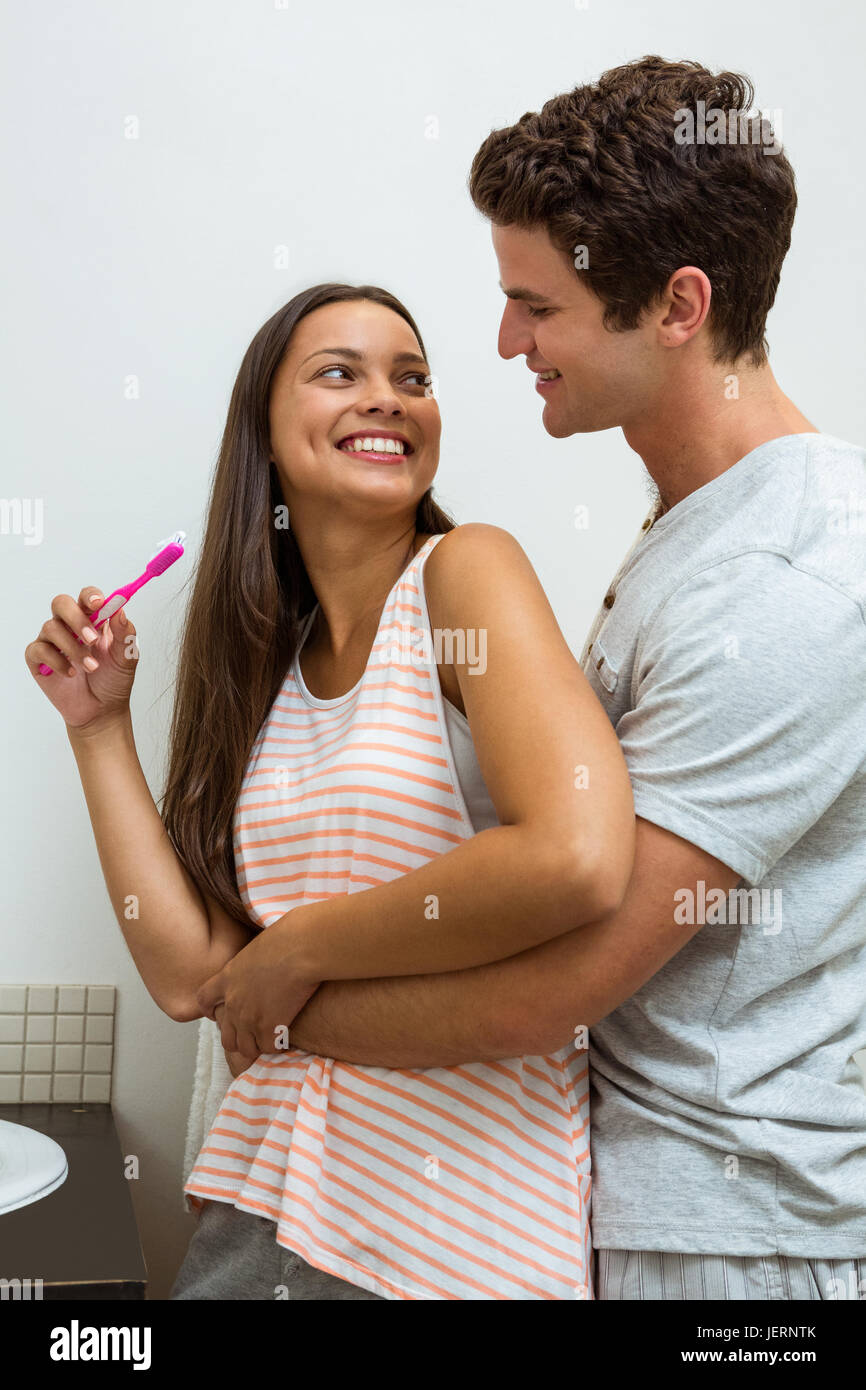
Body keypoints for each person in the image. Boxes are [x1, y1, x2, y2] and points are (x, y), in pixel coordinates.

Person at [260, 56, 866, 1302]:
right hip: (648, 1198)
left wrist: (274, 1004)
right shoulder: (698, 526)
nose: (502, 343)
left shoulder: (792, 575)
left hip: (738, 1240)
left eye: (535, 307)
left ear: (677, 305)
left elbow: (559, 984)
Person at [25, 282, 635, 1299]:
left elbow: (572, 854)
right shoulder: (271, 669)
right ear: (263, 431)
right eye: (339, 373)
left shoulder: (464, 573)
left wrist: (302, 946)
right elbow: (199, 980)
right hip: (262, 1213)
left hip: (450, 1244)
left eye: (412, 378)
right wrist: (96, 725)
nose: (389, 398)